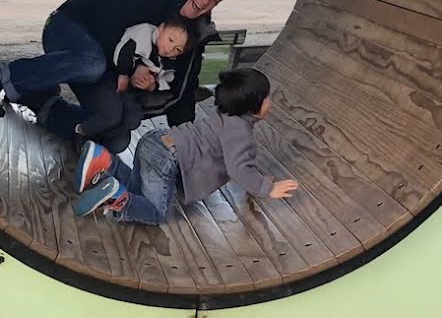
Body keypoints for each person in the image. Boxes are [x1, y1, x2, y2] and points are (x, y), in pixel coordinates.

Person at [0, 0, 232, 129]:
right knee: (92, 63)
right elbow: (104, 20)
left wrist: (184, 144)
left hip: (106, 64)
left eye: (214, 0)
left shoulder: (195, 33)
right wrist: (129, 69)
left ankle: (47, 106)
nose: (204, 1)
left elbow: (184, 90)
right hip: (70, 26)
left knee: (118, 127)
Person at [71, 67, 300, 224]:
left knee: (137, 187)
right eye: (267, 97)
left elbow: (240, 162)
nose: (271, 101)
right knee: (155, 213)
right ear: (252, 106)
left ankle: (107, 163)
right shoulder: (240, 133)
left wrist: (259, 179)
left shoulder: (226, 114)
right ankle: (118, 200)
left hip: (156, 140)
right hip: (168, 157)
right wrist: (266, 189)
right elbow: (238, 168)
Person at [67, 16, 195, 153]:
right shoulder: (144, 32)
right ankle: (81, 131)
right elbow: (123, 53)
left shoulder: (168, 60)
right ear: (161, 28)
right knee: (112, 115)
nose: (170, 48)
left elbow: (166, 80)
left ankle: (98, 135)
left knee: (133, 119)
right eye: (170, 39)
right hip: (113, 78)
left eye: (177, 49)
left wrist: (151, 86)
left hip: (130, 92)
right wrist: (125, 73)